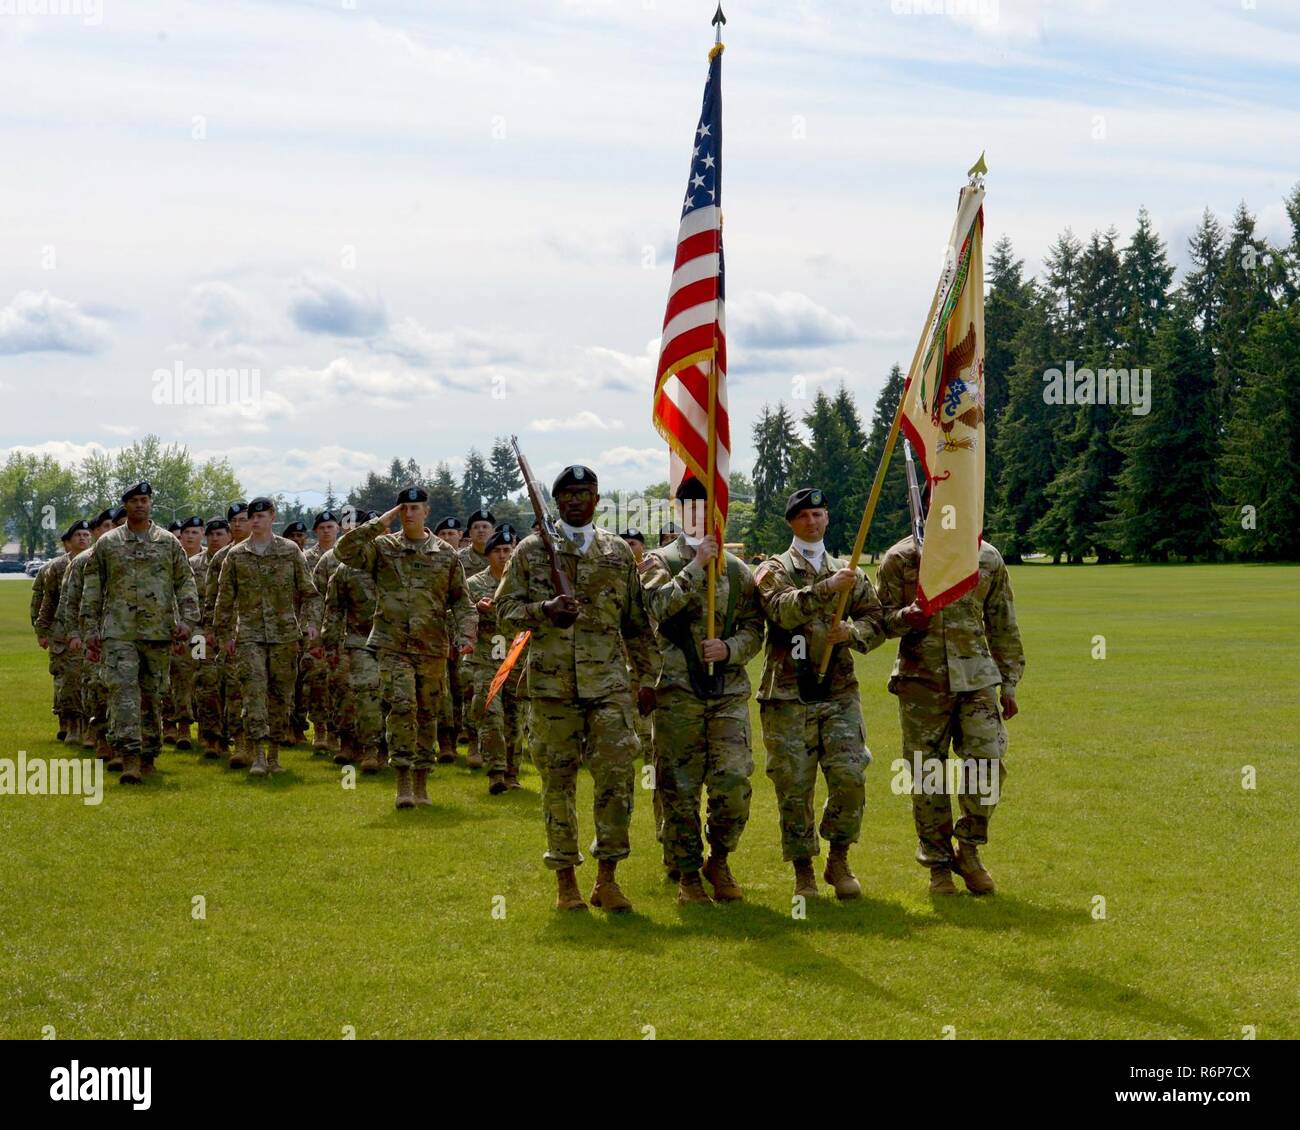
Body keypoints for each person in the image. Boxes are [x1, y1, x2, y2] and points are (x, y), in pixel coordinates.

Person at [496, 465, 656, 913]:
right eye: (566, 494)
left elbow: (638, 625)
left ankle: (608, 878)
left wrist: (648, 679)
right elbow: (504, 610)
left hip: (609, 686)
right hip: (552, 687)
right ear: (556, 500)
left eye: (584, 493)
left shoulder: (618, 553)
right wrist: (544, 609)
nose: (575, 501)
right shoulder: (531, 552)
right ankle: (565, 881)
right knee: (557, 784)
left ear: (598, 499)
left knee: (617, 782)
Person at [754, 487, 887, 900]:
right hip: (789, 693)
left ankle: (839, 858)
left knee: (849, 774)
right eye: (804, 516)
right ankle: (803, 870)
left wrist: (853, 631)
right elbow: (781, 610)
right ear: (791, 522)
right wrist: (826, 589)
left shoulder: (849, 572)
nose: (812, 522)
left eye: (818, 514)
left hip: (839, 692)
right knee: (794, 785)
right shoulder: (774, 568)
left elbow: (877, 620)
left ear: (827, 518)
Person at [875, 533, 1025, 896]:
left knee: (988, 762)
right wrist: (907, 617)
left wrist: (1010, 682)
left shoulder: (986, 557)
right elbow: (878, 620)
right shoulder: (901, 557)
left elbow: (1002, 621)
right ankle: (938, 865)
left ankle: (968, 848)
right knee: (928, 774)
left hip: (977, 678)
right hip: (921, 680)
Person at [640, 478, 765, 904]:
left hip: (727, 691)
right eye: (690, 505)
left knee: (733, 779)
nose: (699, 513)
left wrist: (730, 648)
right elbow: (657, 608)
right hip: (677, 690)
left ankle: (720, 858)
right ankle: (688, 873)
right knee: (678, 785)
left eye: (707, 506)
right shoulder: (660, 561)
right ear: (678, 510)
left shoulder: (736, 569)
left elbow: (754, 628)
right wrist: (696, 566)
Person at [335, 487, 476, 810]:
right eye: (404, 508)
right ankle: (402, 781)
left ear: (426, 512)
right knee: (401, 705)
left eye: (415, 508)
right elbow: (345, 551)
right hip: (392, 643)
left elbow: (462, 601)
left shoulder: (446, 554)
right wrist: (378, 523)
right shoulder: (383, 548)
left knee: (428, 712)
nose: (409, 513)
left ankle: (422, 780)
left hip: (431, 645)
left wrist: (466, 634)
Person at [72, 483, 200, 783]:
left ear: (150, 504)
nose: (140, 505)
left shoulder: (168, 542)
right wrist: (89, 628)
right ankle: (128, 756)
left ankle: (148, 754)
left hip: (158, 632)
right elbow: (93, 587)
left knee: (153, 696)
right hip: (119, 632)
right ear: (125, 506)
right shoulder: (109, 543)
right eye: (134, 501)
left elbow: (185, 582)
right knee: (123, 694)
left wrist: (189, 620)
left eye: (144, 500)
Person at [214, 497, 322, 777]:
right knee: (254, 692)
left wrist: (311, 624)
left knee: (280, 695)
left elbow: (310, 593)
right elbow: (224, 600)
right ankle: (258, 756)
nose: (257, 520)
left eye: (262, 515)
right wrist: (224, 634)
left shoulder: (290, 551)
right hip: (249, 635)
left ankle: (274, 754)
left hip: (285, 635)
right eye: (253, 516)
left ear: (273, 517)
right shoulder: (236, 555)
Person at [323, 512, 385, 774]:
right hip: (360, 641)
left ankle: (389, 748)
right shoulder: (346, 569)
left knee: (395, 696)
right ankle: (363, 748)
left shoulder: (396, 564)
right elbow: (334, 608)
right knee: (364, 692)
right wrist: (331, 644)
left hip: (396, 640)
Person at [464, 525, 523, 793]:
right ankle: (496, 772)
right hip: (486, 660)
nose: (502, 555)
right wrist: (476, 610)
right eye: (497, 551)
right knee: (490, 714)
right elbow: (460, 616)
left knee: (514, 717)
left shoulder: (523, 584)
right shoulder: (474, 584)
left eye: (507, 550)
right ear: (488, 554)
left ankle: (512, 772)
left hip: (517, 659)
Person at [204, 502, 252, 766]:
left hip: (264, 633)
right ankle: (240, 742)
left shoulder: (272, 552)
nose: (237, 524)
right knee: (233, 689)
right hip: (231, 636)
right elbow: (211, 599)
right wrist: (213, 631)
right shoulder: (221, 558)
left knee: (260, 691)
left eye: (243, 520)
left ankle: (262, 744)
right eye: (233, 520)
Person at [35, 521, 89, 742]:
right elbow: (47, 600)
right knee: (68, 681)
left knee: (88, 679)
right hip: (63, 631)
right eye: (78, 535)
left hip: (88, 629)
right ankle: (72, 725)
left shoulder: (96, 561)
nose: (83, 539)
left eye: (87, 534)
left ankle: (88, 726)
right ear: (68, 541)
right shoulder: (56, 567)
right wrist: (42, 629)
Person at [191, 518, 232, 759]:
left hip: (228, 632)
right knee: (204, 681)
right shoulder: (193, 564)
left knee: (229, 685)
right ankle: (209, 735)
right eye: (211, 534)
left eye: (219, 534)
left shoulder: (235, 558)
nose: (215, 538)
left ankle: (227, 735)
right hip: (199, 634)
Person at [303, 510, 342, 755]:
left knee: (340, 681)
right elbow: (310, 597)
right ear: (316, 531)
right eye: (322, 527)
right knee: (317, 678)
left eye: (330, 526)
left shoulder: (345, 554)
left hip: (344, 628)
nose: (326, 530)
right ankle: (319, 728)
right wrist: (311, 633)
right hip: (318, 624)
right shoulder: (306, 557)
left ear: (337, 529)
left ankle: (336, 732)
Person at [165, 515, 206, 750]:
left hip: (201, 631)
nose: (188, 537)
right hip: (175, 629)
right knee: (176, 675)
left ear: (202, 534)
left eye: (193, 532)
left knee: (200, 676)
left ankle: (204, 727)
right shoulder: (171, 561)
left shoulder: (209, 562)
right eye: (184, 534)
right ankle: (177, 725)